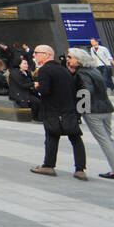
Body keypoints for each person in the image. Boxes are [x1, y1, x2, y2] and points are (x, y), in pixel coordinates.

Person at [67, 48, 114, 181]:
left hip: (93, 111)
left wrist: (80, 110)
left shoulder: (82, 74)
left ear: (79, 60)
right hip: (106, 108)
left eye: (70, 57)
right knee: (109, 139)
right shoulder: (94, 70)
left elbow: (86, 91)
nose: (67, 60)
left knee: (104, 140)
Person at [29, 45, 86, 180]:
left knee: (51, 137)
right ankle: (80, 169)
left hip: (53, 110)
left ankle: (48, 165)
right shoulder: (63, 69)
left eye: (37, 53)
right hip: (68, 110)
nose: (34, 56)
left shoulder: (45, 70)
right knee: (76, 139)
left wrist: (37, 87)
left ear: (47, 55)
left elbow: (45, 90)